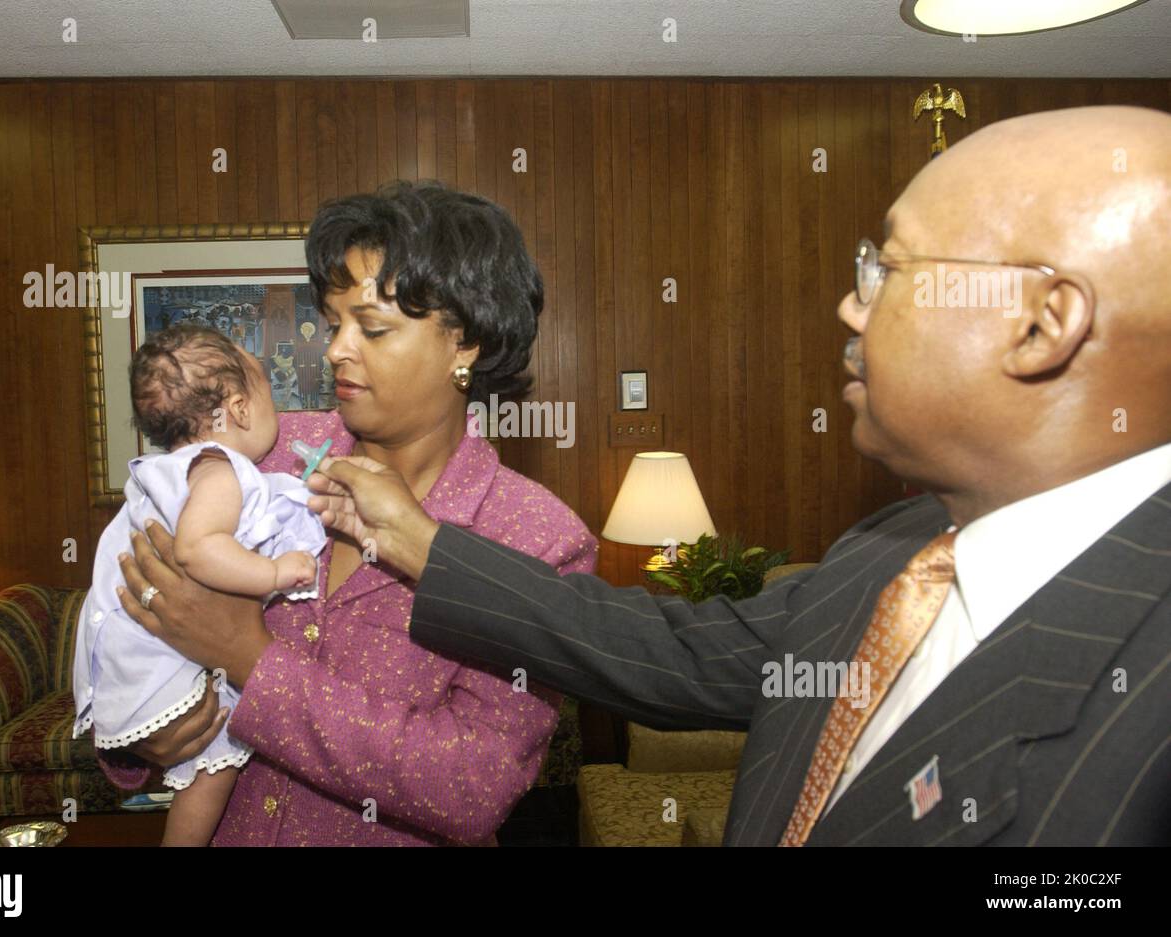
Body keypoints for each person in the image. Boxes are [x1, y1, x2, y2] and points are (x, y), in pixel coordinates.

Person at [300, 106, 1171, 845]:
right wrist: (420, 542)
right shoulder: (887, 555)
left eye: (889, 268)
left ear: (1040, 324)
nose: (851, 304)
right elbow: (654, 648)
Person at [103, 180, 598, 845]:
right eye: (334, 321)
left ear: (466, 343)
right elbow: (132, 597)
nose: (335, 348)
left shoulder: (534, 539)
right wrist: (139, 742)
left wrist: (251, 659)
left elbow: (474, 783)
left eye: (371, 327)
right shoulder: (261, 459)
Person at [74, 325, 326, 846]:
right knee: (219, 754)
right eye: (267, 391)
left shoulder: (168, 470)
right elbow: (196, 549)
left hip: (131, 657)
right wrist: (276, 573)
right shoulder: (219, 470)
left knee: (213, 762)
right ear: (237, 408)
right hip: (156, 656)